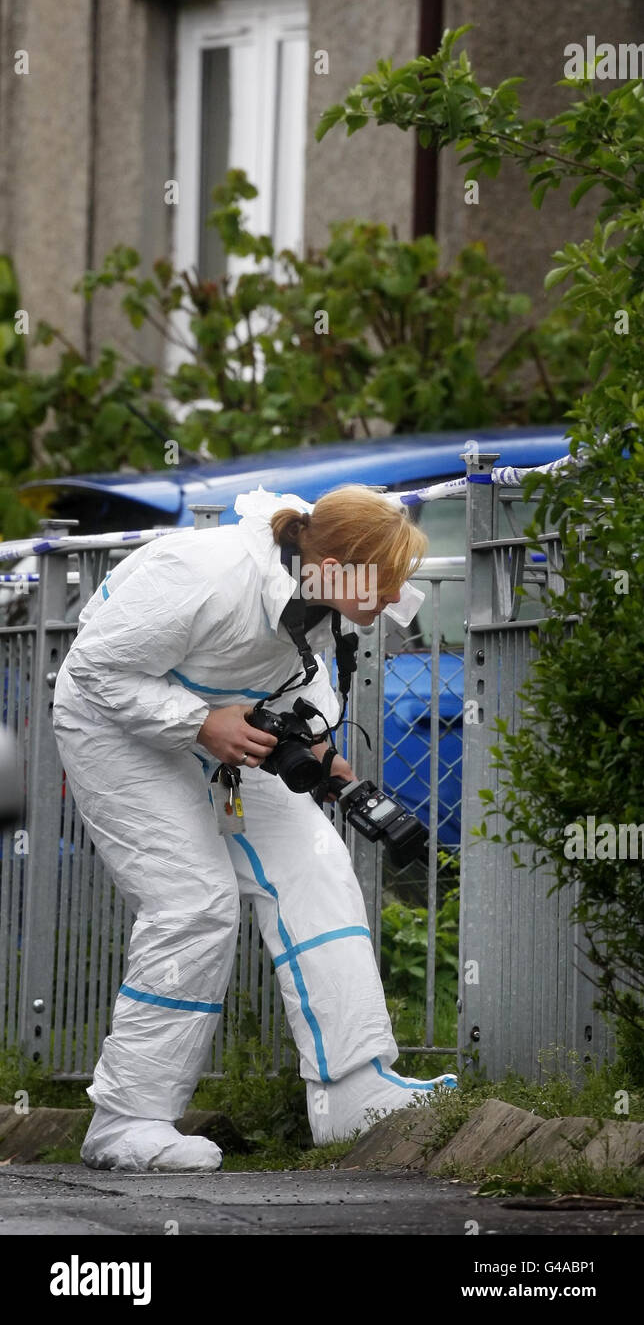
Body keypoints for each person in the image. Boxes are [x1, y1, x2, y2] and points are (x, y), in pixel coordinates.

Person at [52, 484, 457, 1173]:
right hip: (114, 725)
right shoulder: (204, 571)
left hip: (227, 726)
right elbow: (95, 669)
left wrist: (322, 752)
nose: (396, 598)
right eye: (386, 582)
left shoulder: (322, 593)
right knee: (194, 901)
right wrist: (198, 723)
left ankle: (354, 1089)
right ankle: (127, 1121)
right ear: (337, 566)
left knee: (317, 864)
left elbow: (297, 680)